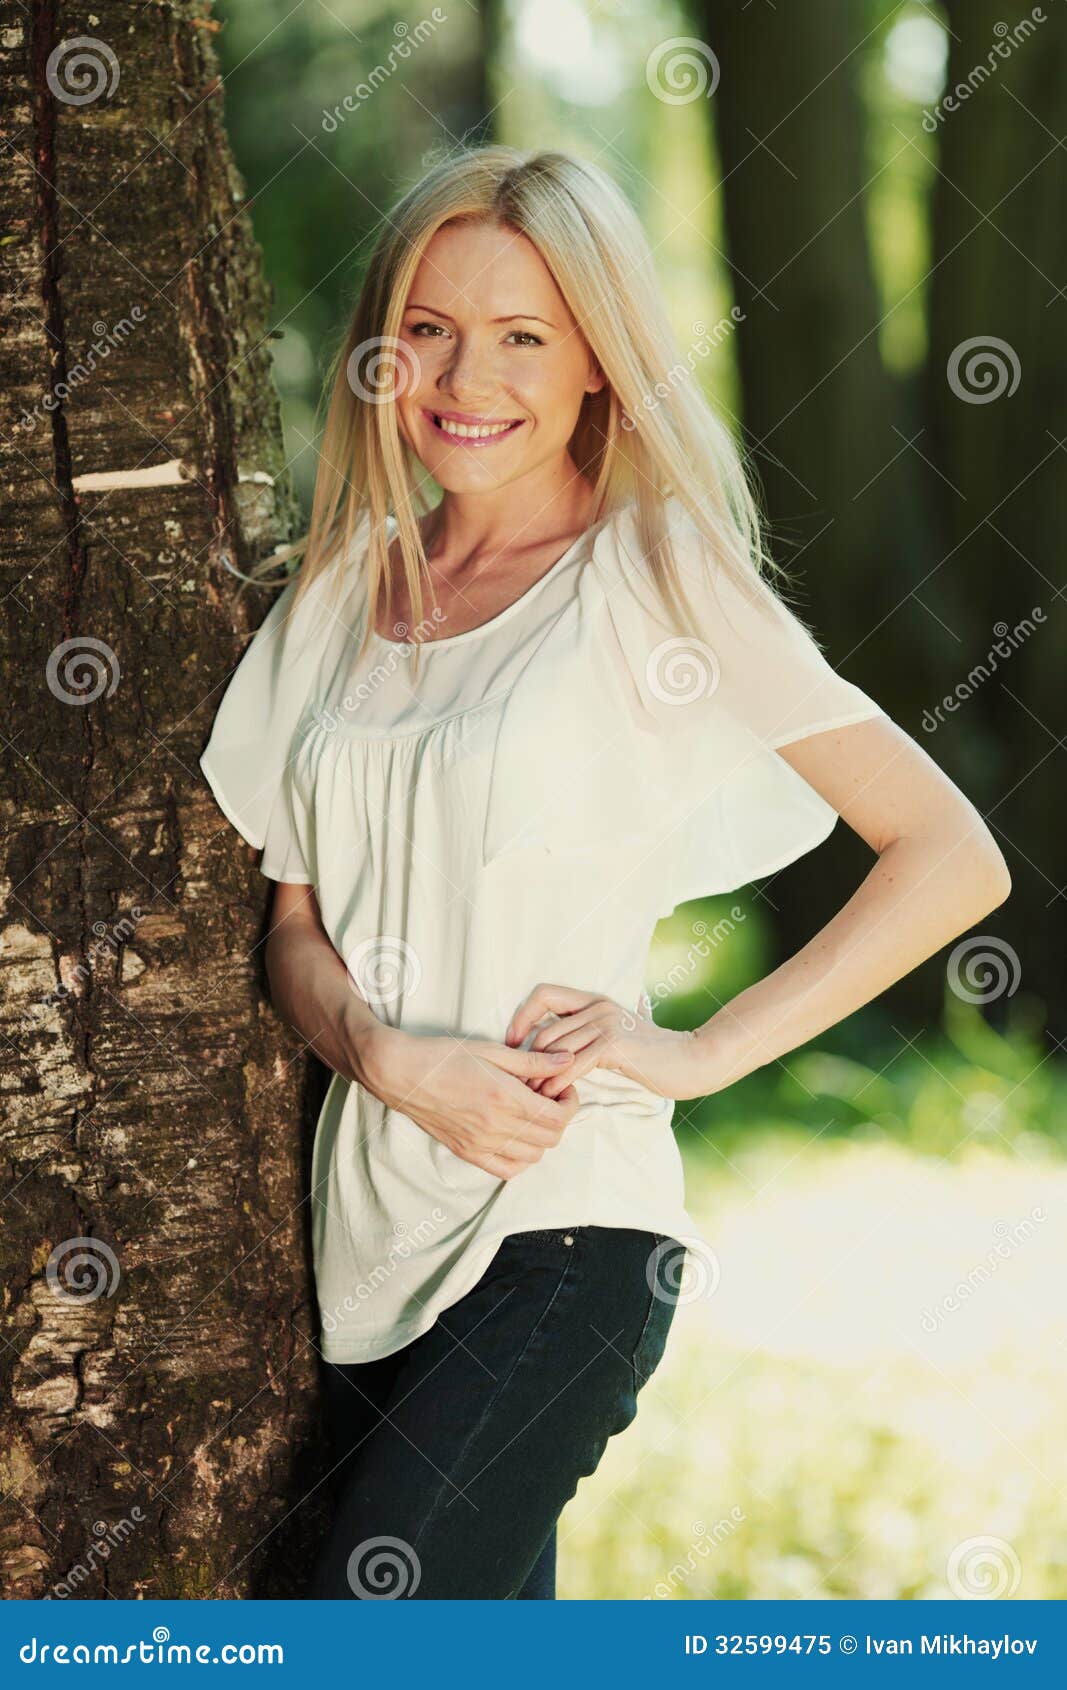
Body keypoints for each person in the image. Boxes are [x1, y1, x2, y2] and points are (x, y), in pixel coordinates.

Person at [200, 146, 1010, 1600]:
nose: (466, 374)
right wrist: (380, 1051)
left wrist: (700, 1051)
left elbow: (949, 854)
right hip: (367, 1249)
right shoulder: (333, 595)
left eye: (525, 336)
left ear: (598, 366)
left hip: (566, 1229)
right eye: (433, 328)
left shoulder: (652, 573)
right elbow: (294, 928)